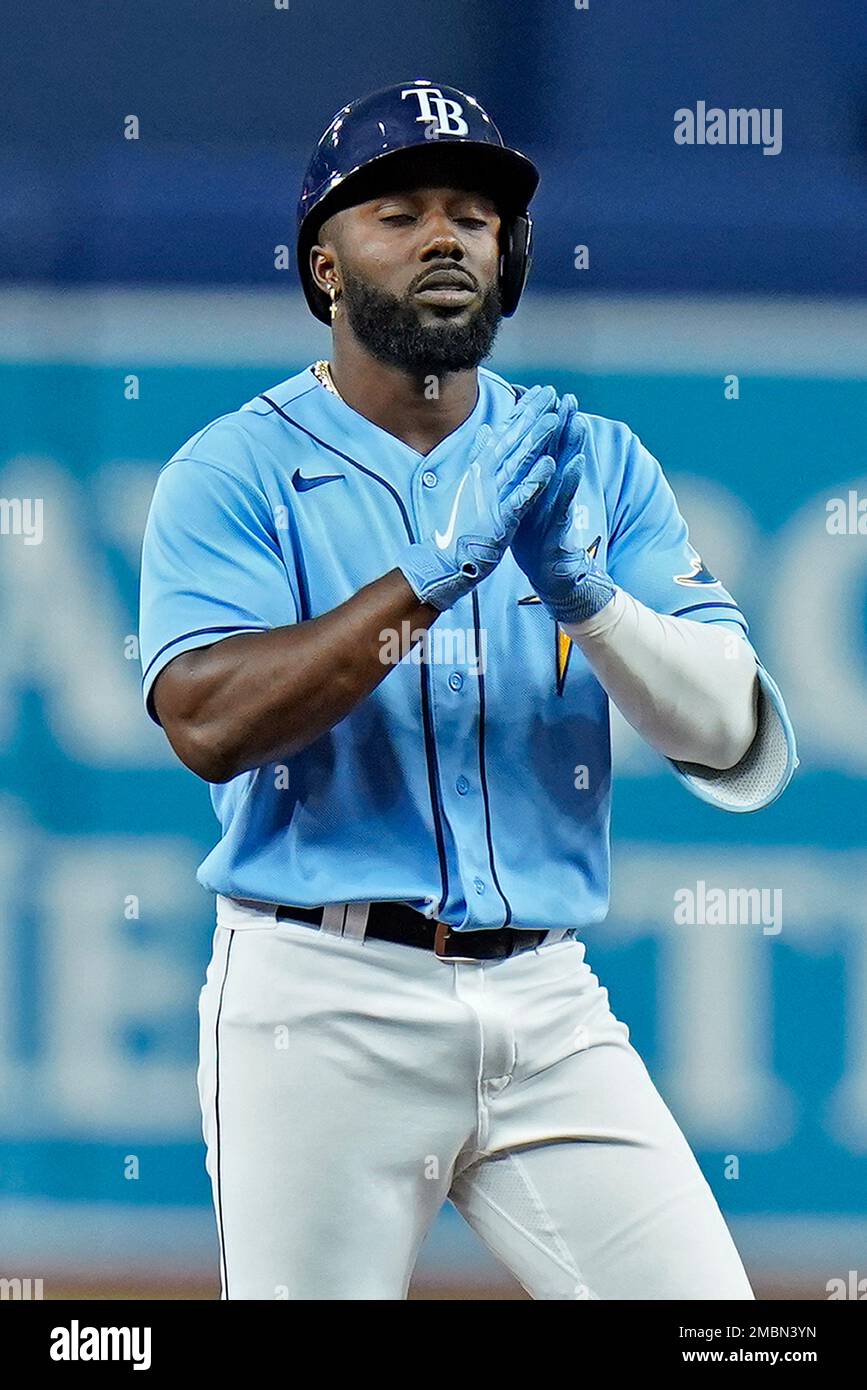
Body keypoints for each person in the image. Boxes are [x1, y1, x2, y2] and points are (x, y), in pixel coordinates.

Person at [138, 80, 797, 1300]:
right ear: (324, 269)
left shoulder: (589, 463)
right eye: (398, 211)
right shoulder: (232, 467)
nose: (446, 235)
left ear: (513, 255)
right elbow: (208, 722)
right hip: (320, 997)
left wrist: (589, 599)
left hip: (548, 996)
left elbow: (735, 737)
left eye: (474, 214)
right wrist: (431, 576)